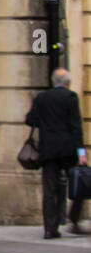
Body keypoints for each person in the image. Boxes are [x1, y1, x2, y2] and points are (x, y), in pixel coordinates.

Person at [25, 68, 87, 238]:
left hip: (48, 150)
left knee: (49, 190)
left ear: (54, 82)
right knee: (80, 183)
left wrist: (45, 123)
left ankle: (50, 229)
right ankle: (73, 219)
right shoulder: (70, 97)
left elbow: (30, 120)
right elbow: (76, 127)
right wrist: (81, 153)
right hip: (68, 150)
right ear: (68, 83)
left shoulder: (41, 98)